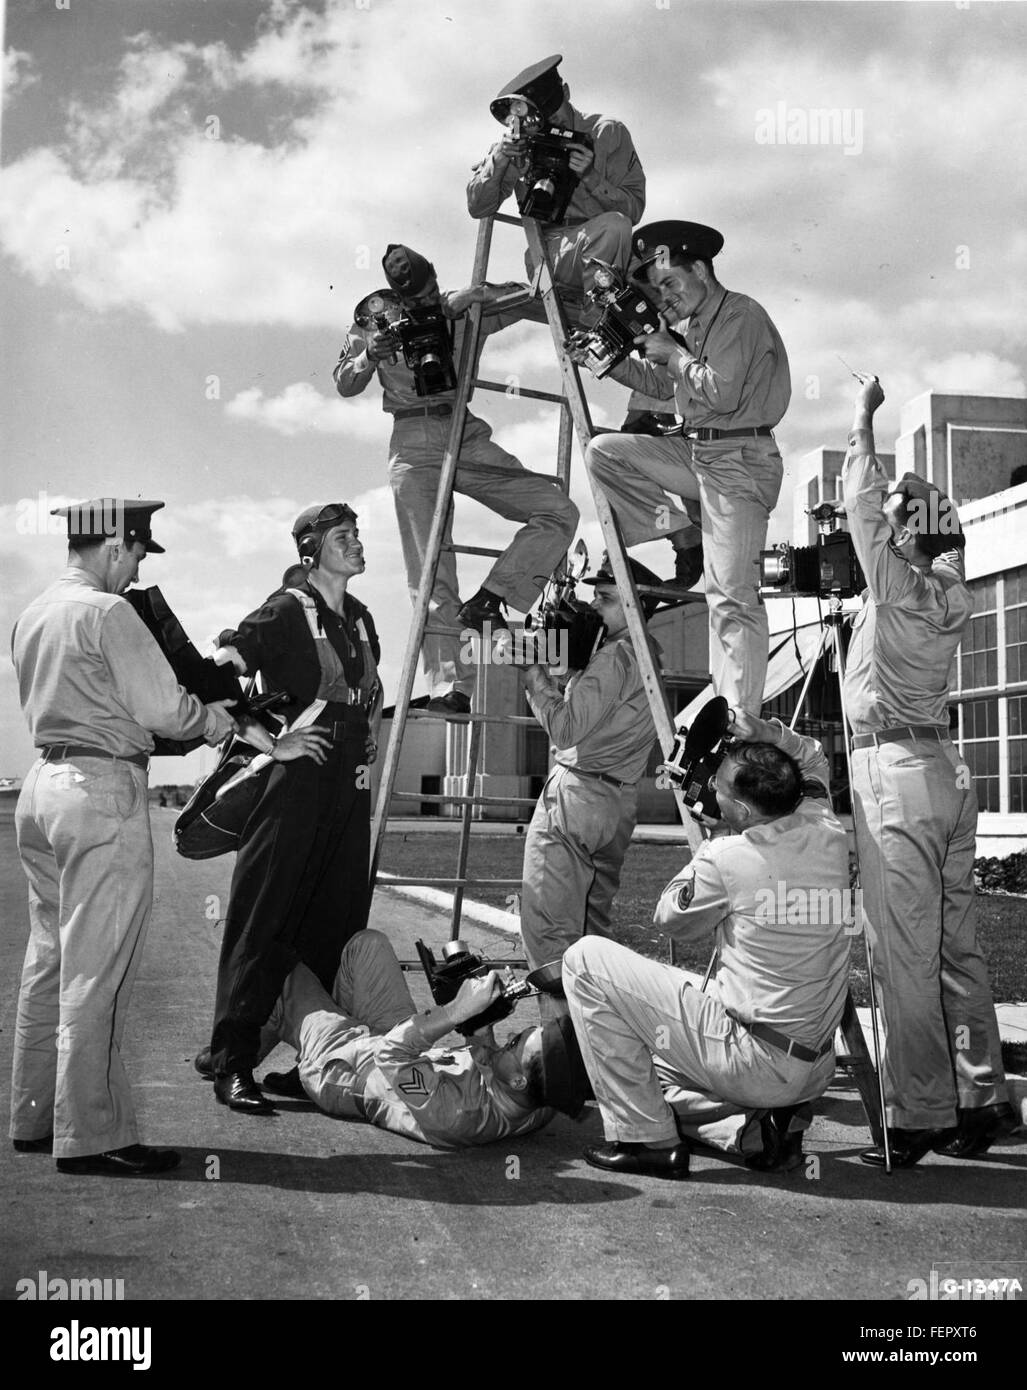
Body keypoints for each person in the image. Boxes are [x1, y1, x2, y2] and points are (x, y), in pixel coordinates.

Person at [9, 499, 238, 1176]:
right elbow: (162, 707)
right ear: (114, 544)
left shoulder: (34, 612)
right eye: (137, 552)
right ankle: (93, 1136)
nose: (138, 567)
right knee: (96, 968)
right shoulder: (109, 613)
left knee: (49, 959)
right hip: (101, 789)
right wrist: (214, 718)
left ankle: (34, 1116)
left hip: (42, 785)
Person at [841, 376, 1015, 1168]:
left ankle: (918, 1113)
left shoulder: (898, 584)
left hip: (897, 772)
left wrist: (862, 421)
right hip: (944, 770)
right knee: (955, 944)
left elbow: (859, 505)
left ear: (906, 538)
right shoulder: (952, 591)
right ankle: (981, 1098)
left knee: (900, 950)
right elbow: (897, 531)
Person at [563, 714, 852, 1181]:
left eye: (717, 784)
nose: (710, 788)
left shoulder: (727, 855)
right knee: (650, 1056)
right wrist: (761, 732)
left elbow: (670, 921)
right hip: (815, 1064)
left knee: (585, 962)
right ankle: (752, 1128)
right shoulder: (826, 827)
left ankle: (646, 1140)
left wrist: (716, 839)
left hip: (757, 1058)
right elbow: (812, 757)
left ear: (740, 809)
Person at [333, 243, 578, 717]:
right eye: (411, 300)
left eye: (426, 293)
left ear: (435, 281)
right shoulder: (374, 322)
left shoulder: (464, 308)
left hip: (463, 430)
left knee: (557, 509)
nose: (420, 306)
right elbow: (344, 381)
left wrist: (573, 311)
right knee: (428, 571)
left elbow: (528, 298)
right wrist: (371, 357)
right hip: (410, 438)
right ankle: (452, 687)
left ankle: (493, 598)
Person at [197, 503, 384, 1115]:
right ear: (312, 552)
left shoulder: (360, 619)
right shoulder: (283, 612)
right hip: (294, 789)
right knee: (264, 919)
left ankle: (315, 1057)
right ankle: (231, 1059)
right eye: (342, 537)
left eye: (356, 534)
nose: (356, 543)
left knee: (334, 923)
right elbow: (218, 678)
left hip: (348, 795)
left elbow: (363, 697)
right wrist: (272, 743)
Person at [581, 220, 791, 715]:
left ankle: (738, 717)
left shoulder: (740, 315)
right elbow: (665, 389)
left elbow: (719, 390)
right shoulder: (695, 326)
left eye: (671, 283)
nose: (666, 297)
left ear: (700, 269)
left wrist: (673, 354)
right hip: (701, 455)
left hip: (741, 461)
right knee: (604, 452)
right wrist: (609, 362)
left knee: (732, 597)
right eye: (659, 290)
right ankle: (682, 534)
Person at [258, 930, 589, 1148]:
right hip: (397, 1040)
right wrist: (484, 1017)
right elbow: (489, 1064)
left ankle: (232, 1057)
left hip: (348, 1069)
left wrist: (455, 1011)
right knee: (367, 945)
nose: (510, 1040)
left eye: (515, 1044)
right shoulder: (538, 1099)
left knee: (280, 968)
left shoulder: (456, 1116)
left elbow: (390, 1056)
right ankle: (315, 1016)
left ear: (518, 1080)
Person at [518, 558, 661, 1015]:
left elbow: (565, 727)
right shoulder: (647, 651)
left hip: (578, 795)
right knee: (592, 931)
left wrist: (533, 673)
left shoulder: (614, 655)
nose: (593, 607)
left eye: (605, 599)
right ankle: (598, 1040)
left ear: (634, 608)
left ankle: (559, 1047)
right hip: (618, 800)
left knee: (549, 931)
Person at [467, 54, 646, 304]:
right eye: (542, 116)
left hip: (613, 252)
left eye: (554, 108)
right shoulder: (520, 143)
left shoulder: (607, 132)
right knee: (614, 226)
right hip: (552, 254)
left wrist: (591, 177)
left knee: (668, 272)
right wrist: (500, 160)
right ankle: (599, 315)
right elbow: (478, 207)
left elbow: (634, 210)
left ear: (566, 92)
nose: (552, 121)